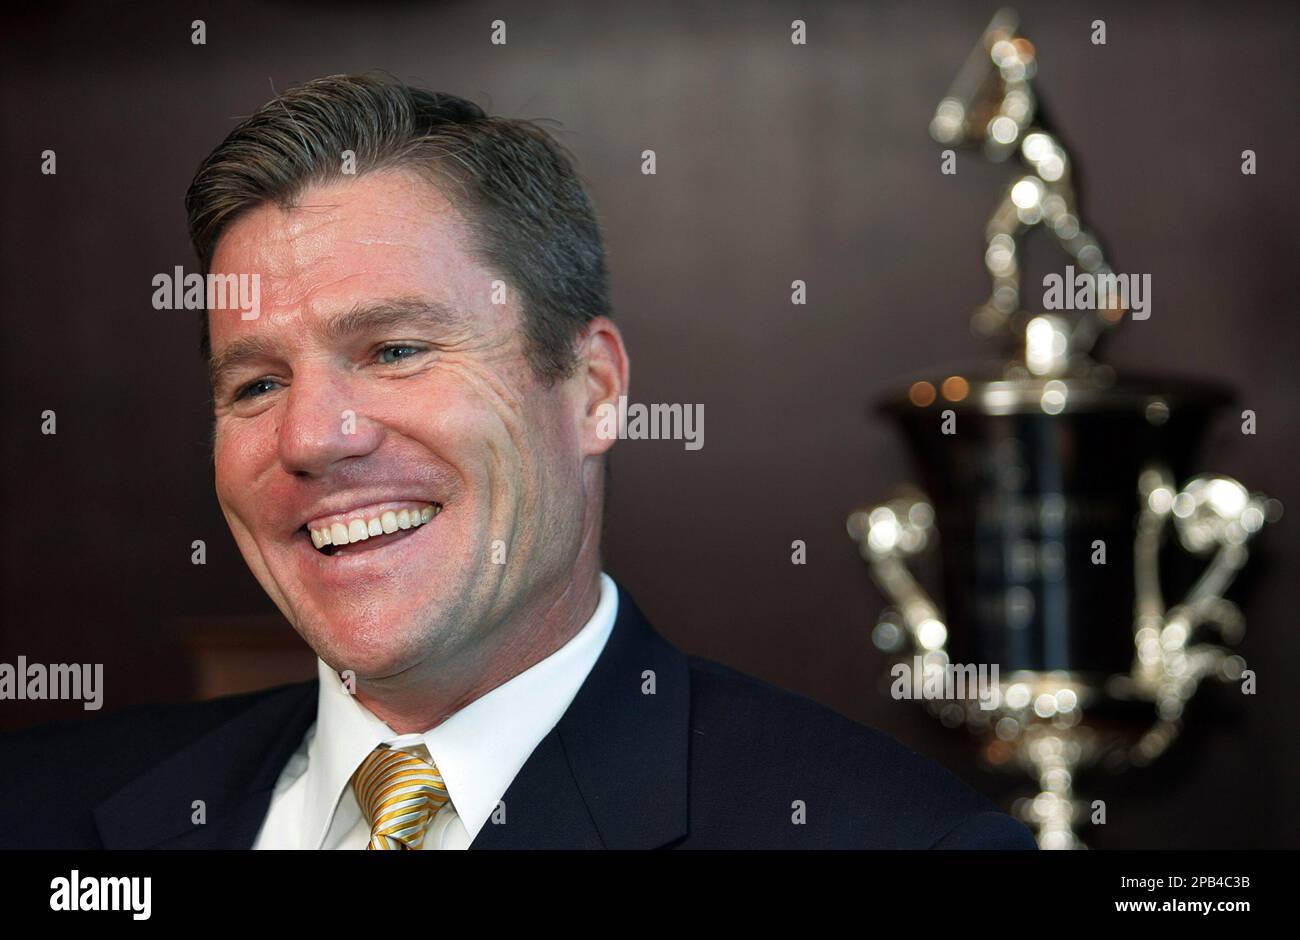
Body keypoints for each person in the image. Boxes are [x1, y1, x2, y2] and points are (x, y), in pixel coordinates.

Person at [0, 74, 1035, 850]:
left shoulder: (884, 840)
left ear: (592, 390)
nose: (313, 436)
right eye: (254, 384)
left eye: (396, 350)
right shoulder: (38, 811)